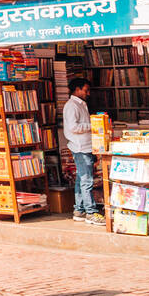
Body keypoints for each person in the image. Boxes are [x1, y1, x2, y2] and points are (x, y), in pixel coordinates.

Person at [64, 77, 102, 225]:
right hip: (80, 147)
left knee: (82, 179)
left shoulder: (81, 104)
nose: (88, 93)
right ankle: (90, 212)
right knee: (87, 180)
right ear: (77, 89)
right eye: (85, 90)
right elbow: (73, 127)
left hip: (86, 146)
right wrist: (92, 125)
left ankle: (79, 210)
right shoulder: (72, 106)